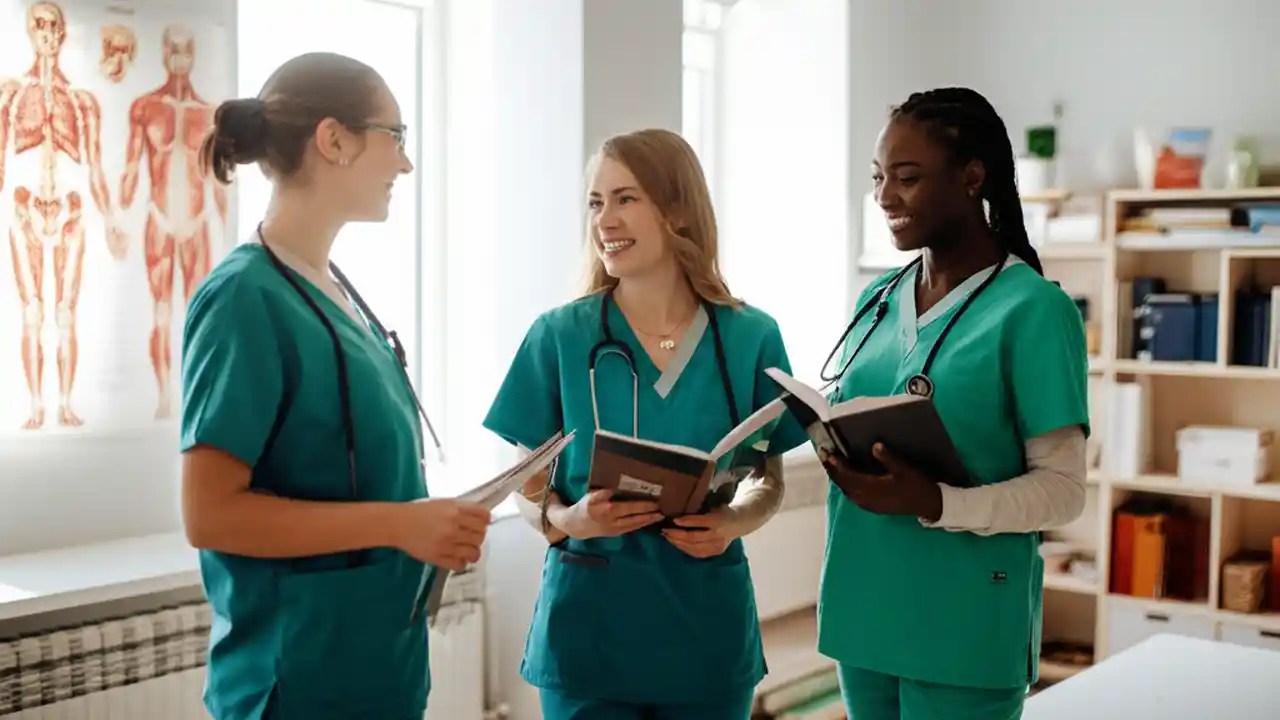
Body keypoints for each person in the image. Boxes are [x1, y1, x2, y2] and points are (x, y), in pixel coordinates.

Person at [180, 52, 490, 720]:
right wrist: (400, 525)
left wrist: (428, 528)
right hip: (296, 682)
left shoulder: (334, 292)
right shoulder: (243, 299)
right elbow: (210, 514)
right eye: (396, 137)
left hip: (375, 669)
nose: (405, 164)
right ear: (334, 140)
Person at [483, 128, 809, 720]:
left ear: (678, 209)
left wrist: (733, 520)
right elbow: (521, 483)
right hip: (588, 634)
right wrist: (563, 518)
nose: (604, 219)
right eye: (595, 202)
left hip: (704, 633)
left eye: (625, 198)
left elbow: (770, 480)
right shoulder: (560, 336)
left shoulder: (750, 337)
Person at [816, 87, 1089, 720]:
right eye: (880, 177)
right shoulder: (878, 300)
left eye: (906, 178)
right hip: (865, 608)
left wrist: (937, 502)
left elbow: (1063, 490)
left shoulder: (1034, 311)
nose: (885, 196)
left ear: (972, 178)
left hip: (963, 625)